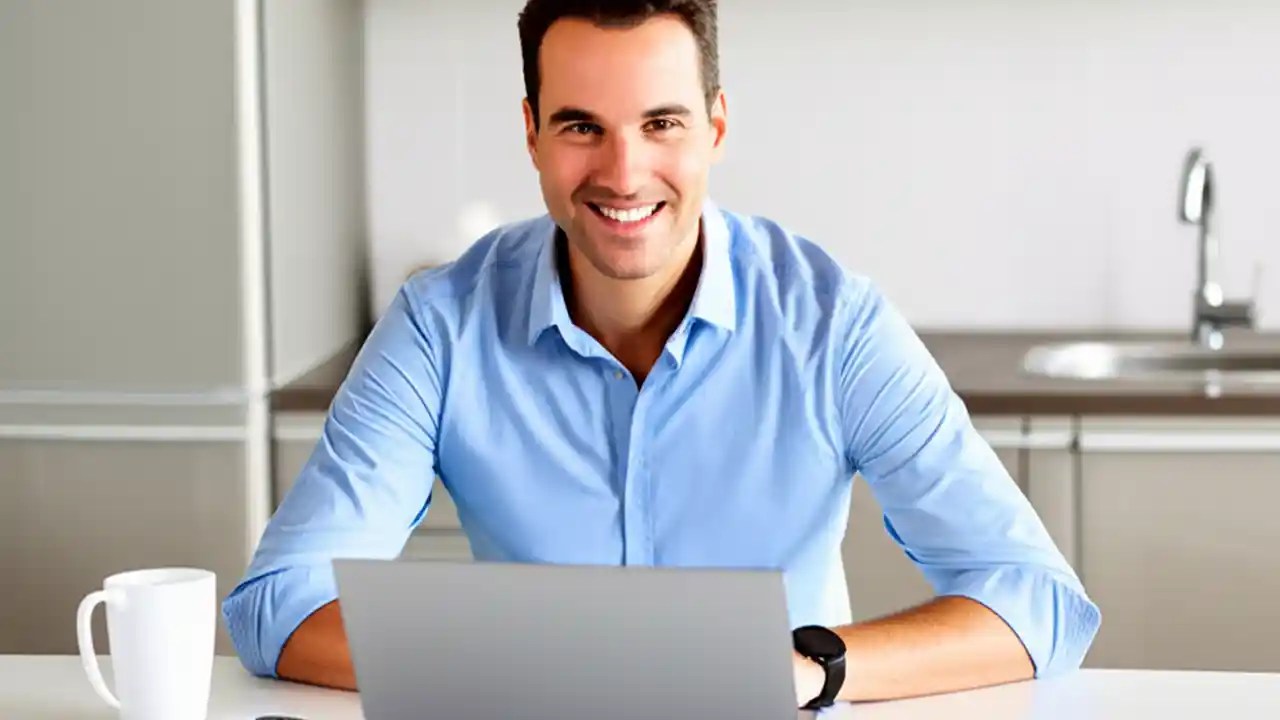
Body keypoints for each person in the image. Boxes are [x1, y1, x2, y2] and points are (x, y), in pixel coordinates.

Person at [223, 0, 1100, 708]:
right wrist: (576, 670)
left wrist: (806, 668)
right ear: (531, 134)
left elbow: (1036, 602)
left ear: (715, 127)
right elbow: (278, 605)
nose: (624, 172)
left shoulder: (832, 324)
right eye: (581, 126)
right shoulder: (439, 326)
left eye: (661, 122)